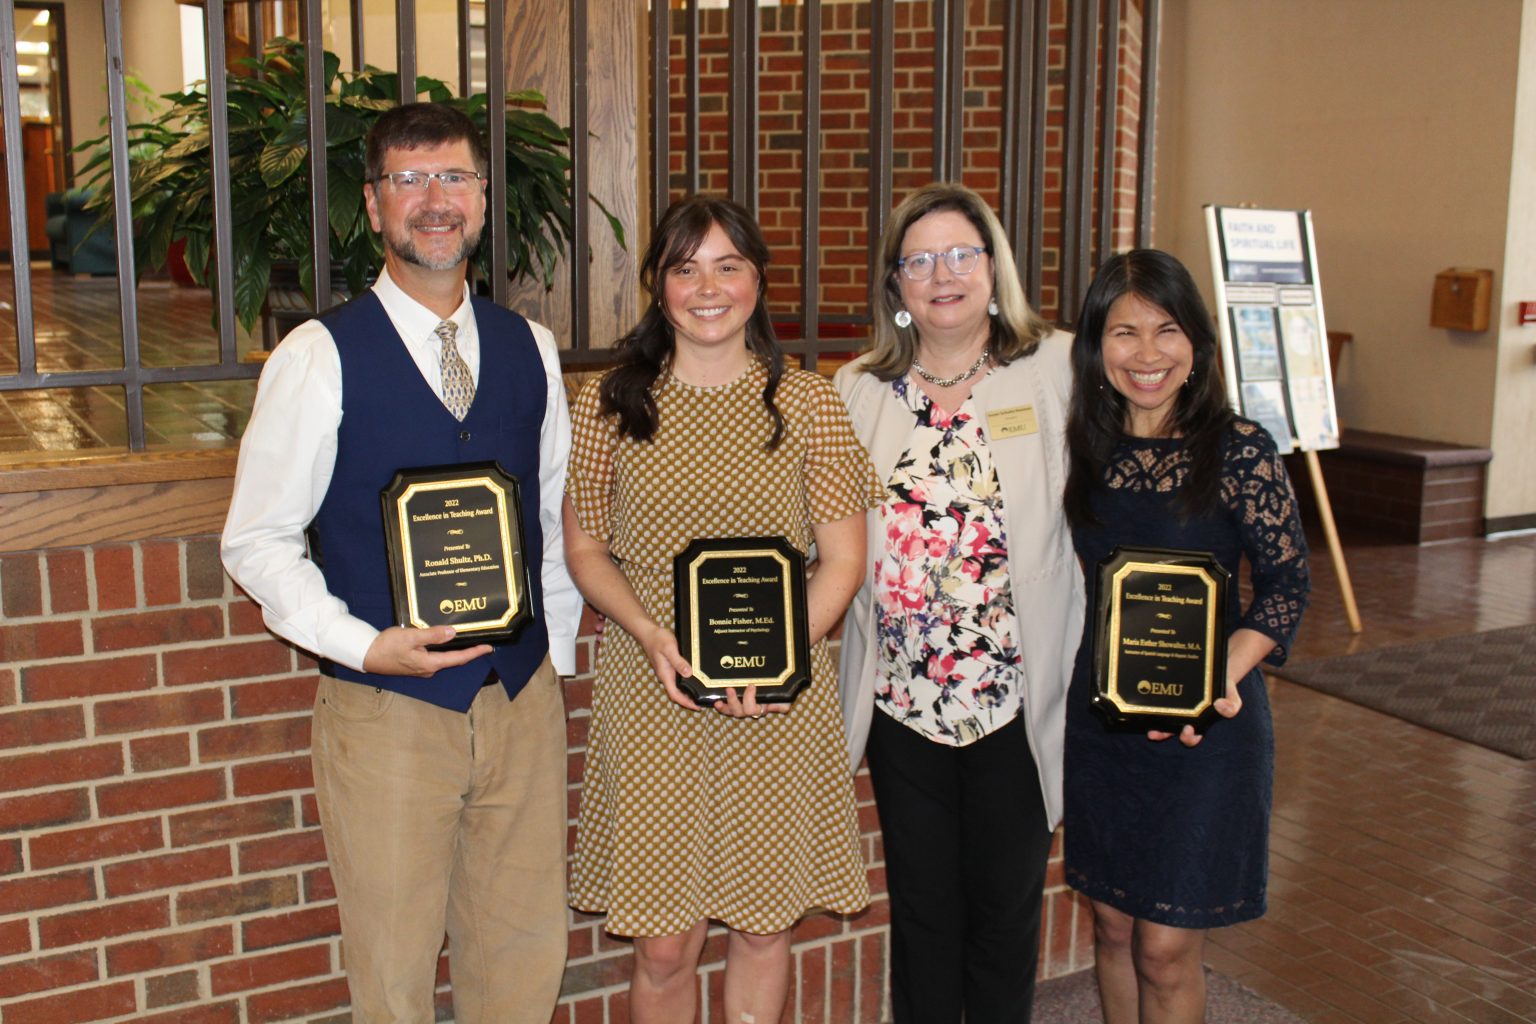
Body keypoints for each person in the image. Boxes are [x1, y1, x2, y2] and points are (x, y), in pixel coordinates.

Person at [221, 102, 579, 1023]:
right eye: (410, 181)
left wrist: (552, 663)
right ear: (374, 206)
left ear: (482, 197)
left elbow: (550, 515)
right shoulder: (317, 356)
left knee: (521, 959)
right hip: (387, 715)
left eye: (453, 177)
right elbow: (257, 538)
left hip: (518, 705)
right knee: (392, 975)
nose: (435, 201)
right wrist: (358, 645)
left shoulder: (528, 348)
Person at [563, 194, 877, 1024]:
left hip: (780, 696)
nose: (708, 287)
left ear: (758, 280)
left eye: (727, 265)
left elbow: (844, 559)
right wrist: (650, 634)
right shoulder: (609, 403)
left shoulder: (810, 403)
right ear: (658, 286)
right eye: (685, 267)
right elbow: (587, 549)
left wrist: (780, 656)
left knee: (765, 926)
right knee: (665, 944)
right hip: (653, 685)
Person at [834, 182, 1084, 1024]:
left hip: (1012, 697)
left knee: (1006, 916)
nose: (942, 275)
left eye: (961, 255)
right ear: (896, 286)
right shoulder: (860, 389)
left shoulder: (1055, 367)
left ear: (992, 268)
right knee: (924, 916)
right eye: (920, 260)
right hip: (904, 702)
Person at [1061, 249, 1309, 1024]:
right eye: (1124, 332)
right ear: (1097, 346)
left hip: (1211, 725)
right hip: (1106, 718)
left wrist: (1218, 677)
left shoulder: (1239, 449)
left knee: (1166, 945)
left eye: (1167, 330)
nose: (1146, 354)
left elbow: (1287, 586)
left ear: (1197, 342)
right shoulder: (1083, 448)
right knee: (1110, 923)